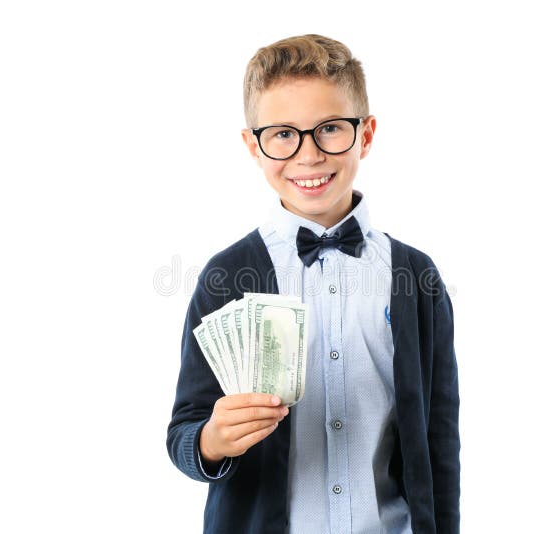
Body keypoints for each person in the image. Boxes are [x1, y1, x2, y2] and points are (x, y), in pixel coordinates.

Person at [166, 34, 460, 534]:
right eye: (282, 134)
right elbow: (185, 433)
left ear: (365, 135)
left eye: (329, 129)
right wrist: (214, 440)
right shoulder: (224, 278)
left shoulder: (416, 277)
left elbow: (439, 439)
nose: (308, 155)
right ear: (252, 147)